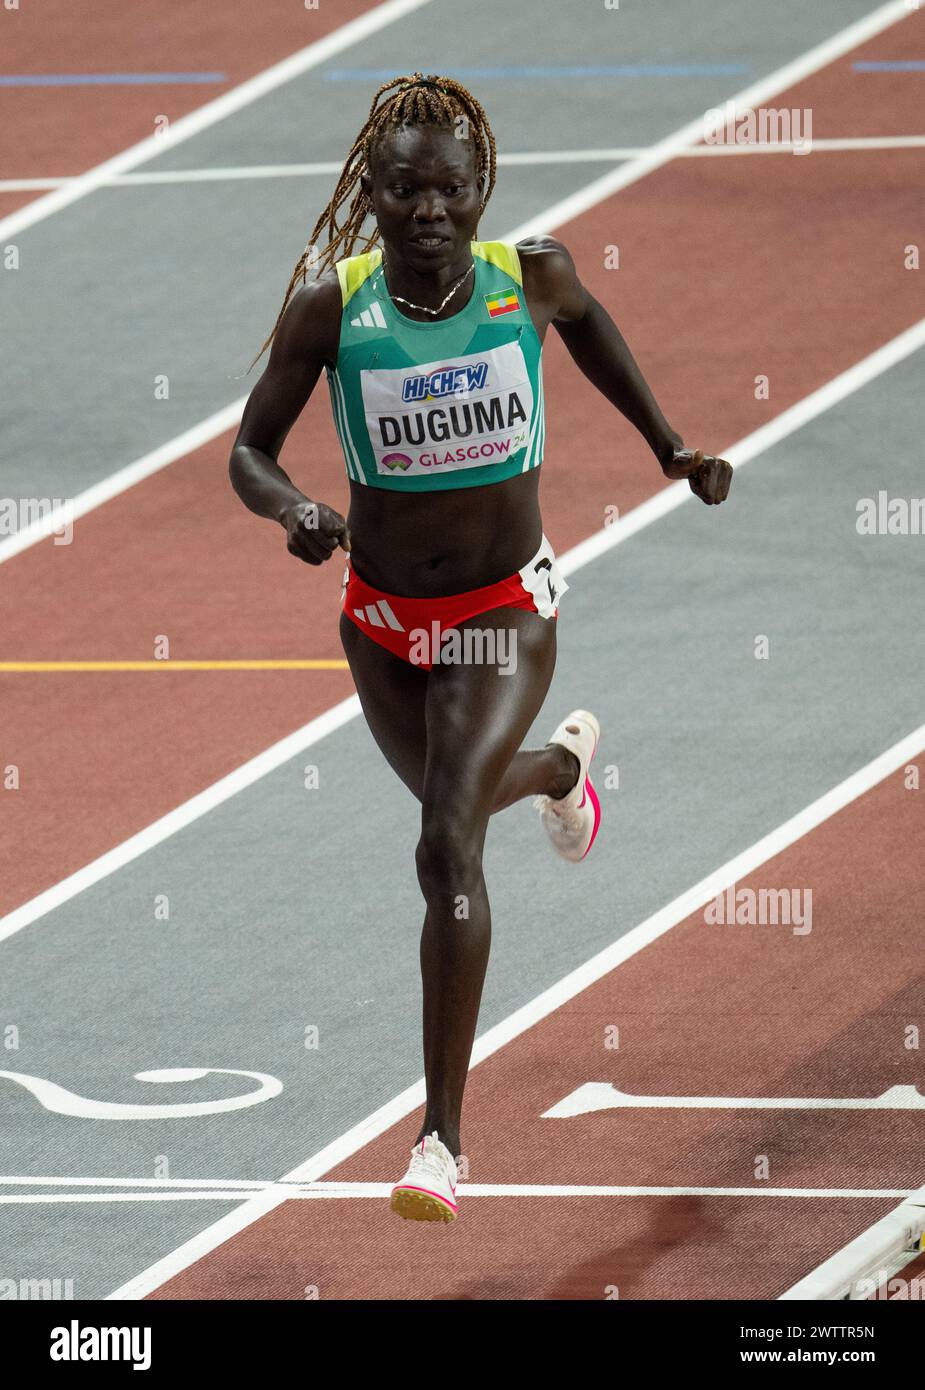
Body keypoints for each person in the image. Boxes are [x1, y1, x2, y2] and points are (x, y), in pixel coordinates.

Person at [229, 72, 733, 1224]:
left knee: (444, 847)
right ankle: (560, 771)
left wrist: (668, 449)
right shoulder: (331, 309)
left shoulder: (528, 278)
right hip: (380, 621)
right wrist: (293, 511)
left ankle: (439, 1143)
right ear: (374, 190)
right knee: (451, 810)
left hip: (504, 609)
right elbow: (248, 452)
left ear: (478, 192)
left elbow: (590, 329)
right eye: (402, 190)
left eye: (447, 192)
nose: (425, 212)